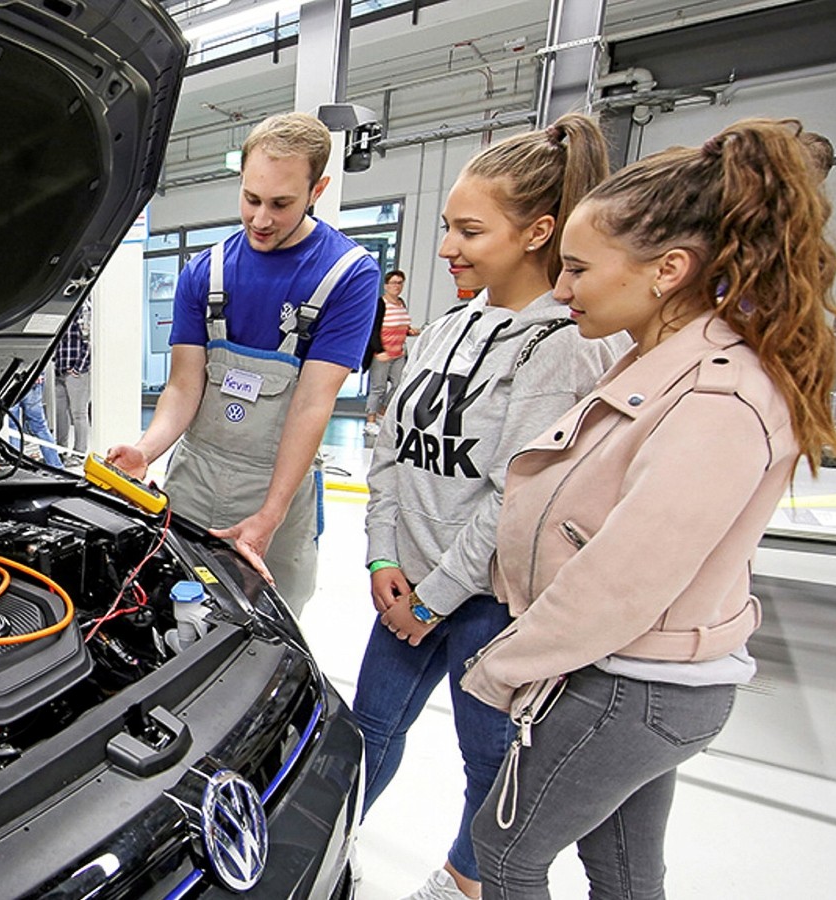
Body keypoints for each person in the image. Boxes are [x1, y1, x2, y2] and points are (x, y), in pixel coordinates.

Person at [462, 118, 836, 899]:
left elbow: (623, 577)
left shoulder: (716, 395)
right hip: (630, 676)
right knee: (623, 868)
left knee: (504, 852)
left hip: (633, 684)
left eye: (578, 269)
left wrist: (502, 665)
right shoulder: (665, 362)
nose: (564, 289)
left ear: (667, 269)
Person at [357, 113, 627, 900]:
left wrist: (435, 599)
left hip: (487, 605)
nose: (447, 248)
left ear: (538, 230)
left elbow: (516, 493)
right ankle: (316, 847)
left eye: (469, 231)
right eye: (447, 227)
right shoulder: (449, 326)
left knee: (491, 765)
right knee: (366, 734)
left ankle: (465, 881)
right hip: (406, 584)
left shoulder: (563, 344)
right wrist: (382, 556)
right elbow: (389, 450)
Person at [106, 112, 378, 613]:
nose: (260, 218)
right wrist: (147, 450)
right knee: (171, 608)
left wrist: (270, 514)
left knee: (266, 626)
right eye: (251, 199)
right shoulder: (204, 271)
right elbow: (184, 388)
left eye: (281, 203)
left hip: (276, 485)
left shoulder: (348, 275)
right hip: (195, 475)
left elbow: (313, 405)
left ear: (318, 188)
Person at [363, 270, 418, 436]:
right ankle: (370, 421)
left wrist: (409, 331)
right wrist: (379, 350)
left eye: (400, 283)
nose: (397, 286)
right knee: (377, 388)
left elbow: (397, 325)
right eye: (393, 283)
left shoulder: (401, 303)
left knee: (399, 385)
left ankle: (383, 411)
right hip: (382, 353)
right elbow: (372, 329)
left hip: (398, 353)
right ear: (386, 286)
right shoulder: (380, 304)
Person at [53, 299, 92, 465]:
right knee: (60, 414)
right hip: (59, 369)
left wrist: (79, 367)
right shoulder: (61, 307)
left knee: (78, 413)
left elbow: (89, 341)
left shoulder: (84, 308)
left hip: (76, 371)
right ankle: (61, 452)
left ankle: (79, 454)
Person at [11, 374, 62, 467]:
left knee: (13, 430)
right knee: (40, 428)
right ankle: (56, 466)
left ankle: (15, 467)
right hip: (32, 381)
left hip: (11, 384)